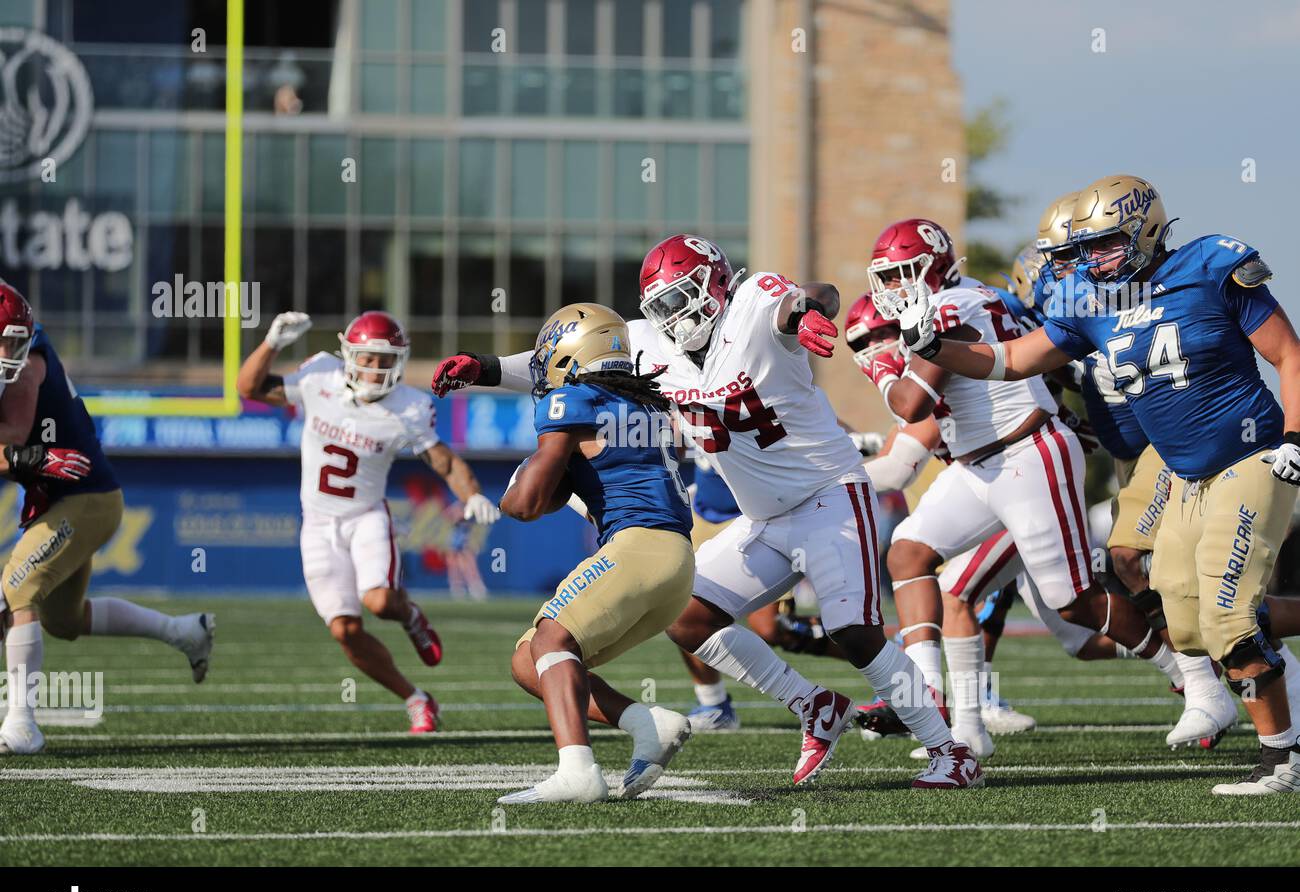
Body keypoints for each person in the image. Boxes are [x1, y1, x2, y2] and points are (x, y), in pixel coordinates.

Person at [433, 234, 983, 789]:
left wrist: (810, 313)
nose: (675, 316)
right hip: (764, 517)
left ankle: (950, 751)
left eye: (683, 298)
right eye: (663, 306)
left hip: (830, 495)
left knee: (857, 634)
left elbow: (811, 294)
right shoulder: (651, 343)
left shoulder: (753, 305)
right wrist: (482, 367)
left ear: (718, 284)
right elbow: (568, 362)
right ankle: (812, 703)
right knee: (688, 617)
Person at [898, 174, 1300, 795]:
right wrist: (934, 344)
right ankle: (1265, 704)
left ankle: (1284, 758)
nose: (1093, 260)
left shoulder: (1209, 264)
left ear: (1144, 228)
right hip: (1179, 470)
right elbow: (1011, 361)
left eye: (1108, 244)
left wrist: (1297, 437)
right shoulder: (1089, 301)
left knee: (1225, 619)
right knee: (1186, 624)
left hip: (1250, 456)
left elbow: (1289, 356)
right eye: (1087, 248)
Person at [237, 309, 500, 734]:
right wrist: (273, 342)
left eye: (385, 360)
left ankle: (411, 617)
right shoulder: (319, 377)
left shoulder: (409, 407)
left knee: (380, 602)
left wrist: (471, 495)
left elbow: (444, 461)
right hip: (318, 524)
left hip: (366, 517)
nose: (375, 369)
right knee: (345, 629)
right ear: (347, 354)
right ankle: (416, 698)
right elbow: (248, 387)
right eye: (367, 358)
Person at [0, 282, 215, 756]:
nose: (8, 352)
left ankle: (22, 723)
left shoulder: (27, 368)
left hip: (85, 499)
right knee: (65, 620)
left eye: (12, 340)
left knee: (15, 589)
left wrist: (30, 459)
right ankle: (183, 631)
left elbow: (8, 447)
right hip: (59, 500)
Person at [497, 303, 696, 803]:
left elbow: (524, 506)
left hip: (638, 546)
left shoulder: (572, 400)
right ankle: (649, 724)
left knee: (551, 638)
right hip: (675, 565)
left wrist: (526, 474)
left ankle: (578, 772)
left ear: (571, 353)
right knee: (530, 661)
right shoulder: (649, 403)